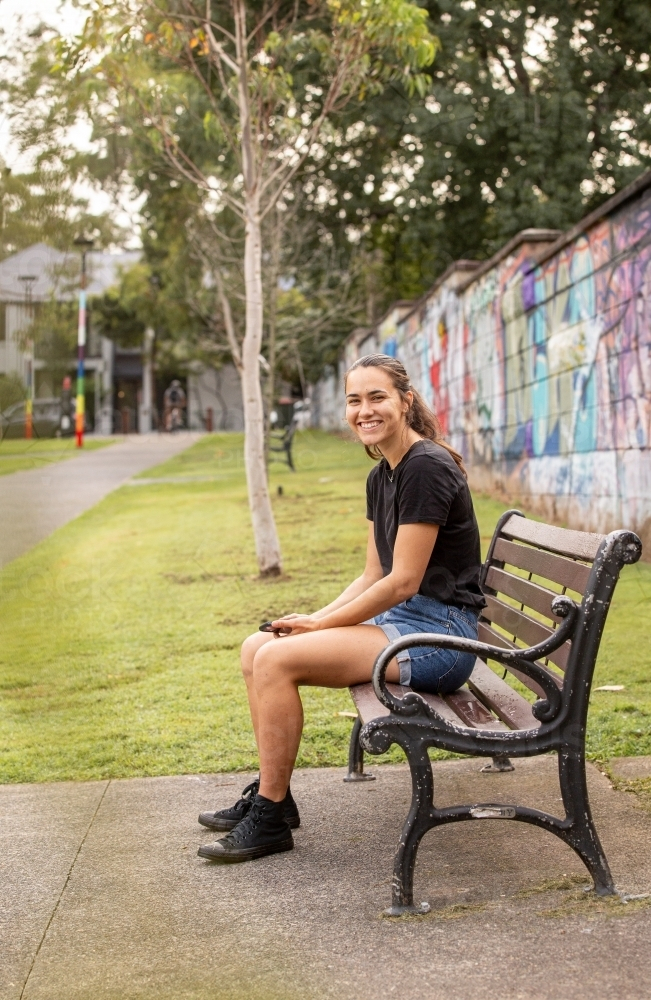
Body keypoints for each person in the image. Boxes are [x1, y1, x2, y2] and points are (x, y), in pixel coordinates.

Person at [197, 354, 486, 863]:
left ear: (405, 401)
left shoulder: (425, 467)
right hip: (404, 625)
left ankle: (269, 819)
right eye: (355, 400)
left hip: (440, 637)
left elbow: (402, 582)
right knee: (258, 646)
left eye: (377, 397)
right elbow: (372, 575)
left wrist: (322, 624)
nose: (364, 410)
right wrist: (311, 618)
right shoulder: (383, 474)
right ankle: (276, 798)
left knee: (276, 660)